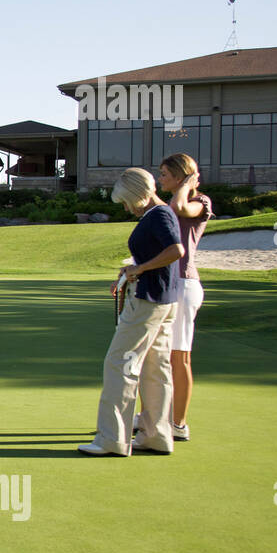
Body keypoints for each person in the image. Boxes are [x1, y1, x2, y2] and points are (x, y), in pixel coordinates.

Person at [79, 167, 185, 457]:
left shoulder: (159, 214)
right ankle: (155, 436)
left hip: (149, 302)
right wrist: (131, 270)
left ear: (139, 194)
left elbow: (176, 250)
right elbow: (158, 254)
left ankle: (112, 439)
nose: (126, 208)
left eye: (126, 202)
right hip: (163, 299)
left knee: (120, 364)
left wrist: (139, 268)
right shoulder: (159, 214)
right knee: (155, 368)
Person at [134, 153, 212, 444]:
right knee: (154, 357)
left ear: (181, 176)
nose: (161, 177)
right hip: (164, 283)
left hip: (184, 285)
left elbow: (181, 207)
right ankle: (150, 417)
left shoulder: (200, 202)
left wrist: (188, 185)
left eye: (166, 173)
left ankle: (178, 423)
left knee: (179, 356)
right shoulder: (165, 206)